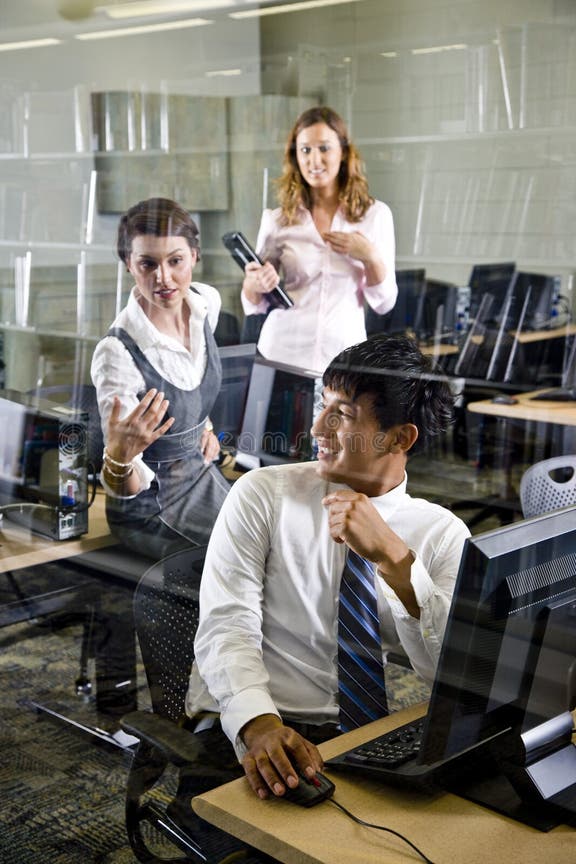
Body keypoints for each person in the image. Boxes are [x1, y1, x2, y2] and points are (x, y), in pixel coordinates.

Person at [173, 334, 470, 859]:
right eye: (322, 405)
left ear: (399, 437)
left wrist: (396, 560)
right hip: (254, 720)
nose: (316, 429)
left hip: (363, 736)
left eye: (343, 415)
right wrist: (258, 723)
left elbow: (450, 675)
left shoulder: (441, 533)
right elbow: (226, 626)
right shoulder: (263, 494)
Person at [91, 197, 230, 559]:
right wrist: (119, 457)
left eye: (175, 261)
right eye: (148, 263)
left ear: (194, 256)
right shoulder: (117, 352)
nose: (164, 278)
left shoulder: (206, 303)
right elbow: (125, 486)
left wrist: (203, 427)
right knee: (242, 558)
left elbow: (192, 382)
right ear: (129, 264)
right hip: (149, 506)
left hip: (201, 478)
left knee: (275, 539)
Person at [241, 105, 398, 375]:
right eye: (305, 150)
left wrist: (369, 256)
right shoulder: (278, 220)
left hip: (343, 361)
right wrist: (253, 283)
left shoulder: (375, 216)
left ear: (344, 152)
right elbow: (255, 304)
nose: (314, 160)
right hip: (282, 354)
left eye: (324, 148)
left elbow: (383, 304)